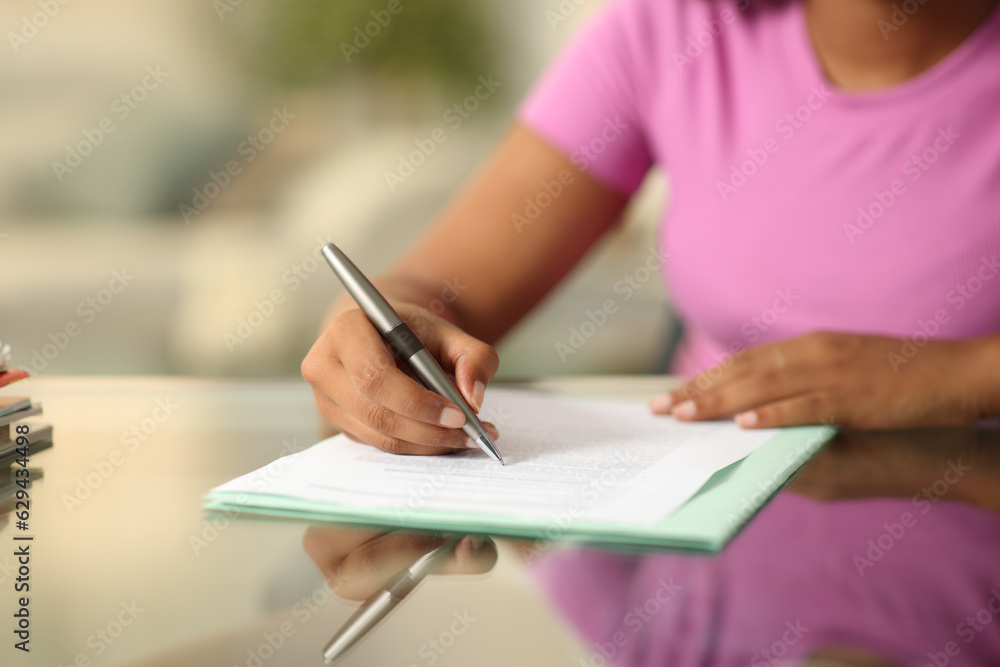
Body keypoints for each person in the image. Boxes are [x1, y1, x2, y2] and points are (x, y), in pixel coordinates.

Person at [302, 0, 1000, 451]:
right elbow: (437, 288)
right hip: (703, 532)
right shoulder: (672, 28)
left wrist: (969, 376)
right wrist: (379, 333)